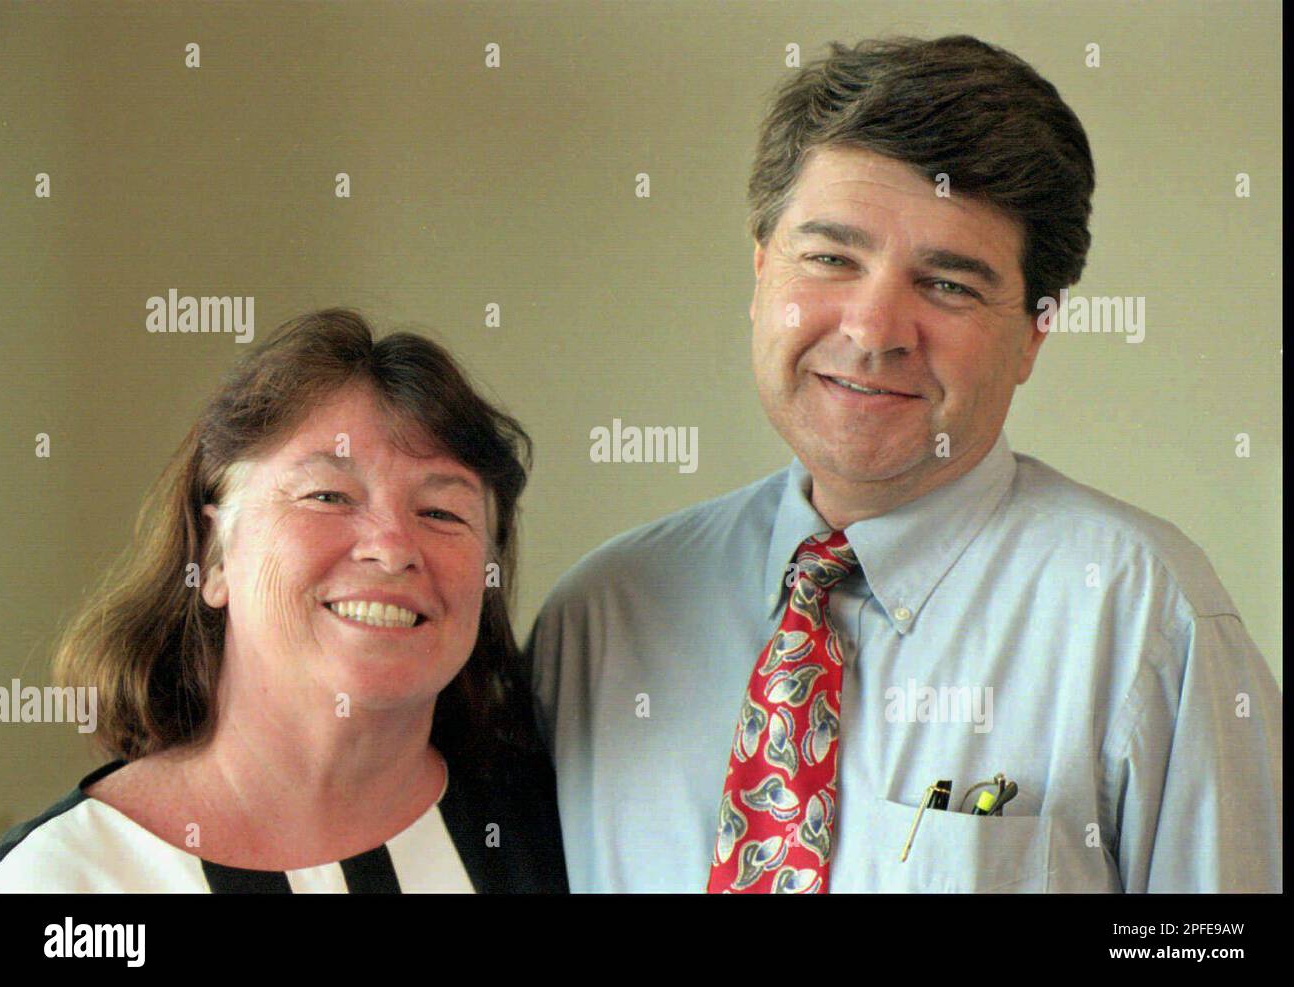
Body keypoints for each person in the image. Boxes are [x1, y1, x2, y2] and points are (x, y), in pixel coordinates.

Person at [526, 35, 1281, 893]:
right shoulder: (599, 622)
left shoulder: (1143, 617)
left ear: (1035, 329)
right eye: (831, 258)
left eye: (950, 284)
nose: (874, 330)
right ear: (761, 269)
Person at [0, 309, 567, 893]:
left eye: (442, 513)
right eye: (329, 495)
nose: (393, 549)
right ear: (215, 559)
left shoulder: (560, 833)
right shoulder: (60, 879)